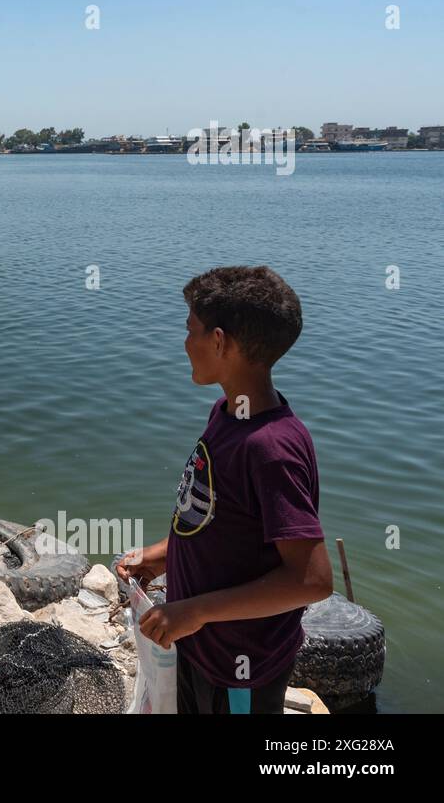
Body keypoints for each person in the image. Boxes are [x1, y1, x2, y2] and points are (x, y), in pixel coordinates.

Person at [117, 265, 332, 714]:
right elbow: (216, 519)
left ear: (219, 341)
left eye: (190, 330)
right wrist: (161, 557)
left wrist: (194, 612)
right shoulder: (228, 412)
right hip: (200, 644)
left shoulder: (272, 448)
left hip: (241, 665)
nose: (184, 342)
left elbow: (310, 580)